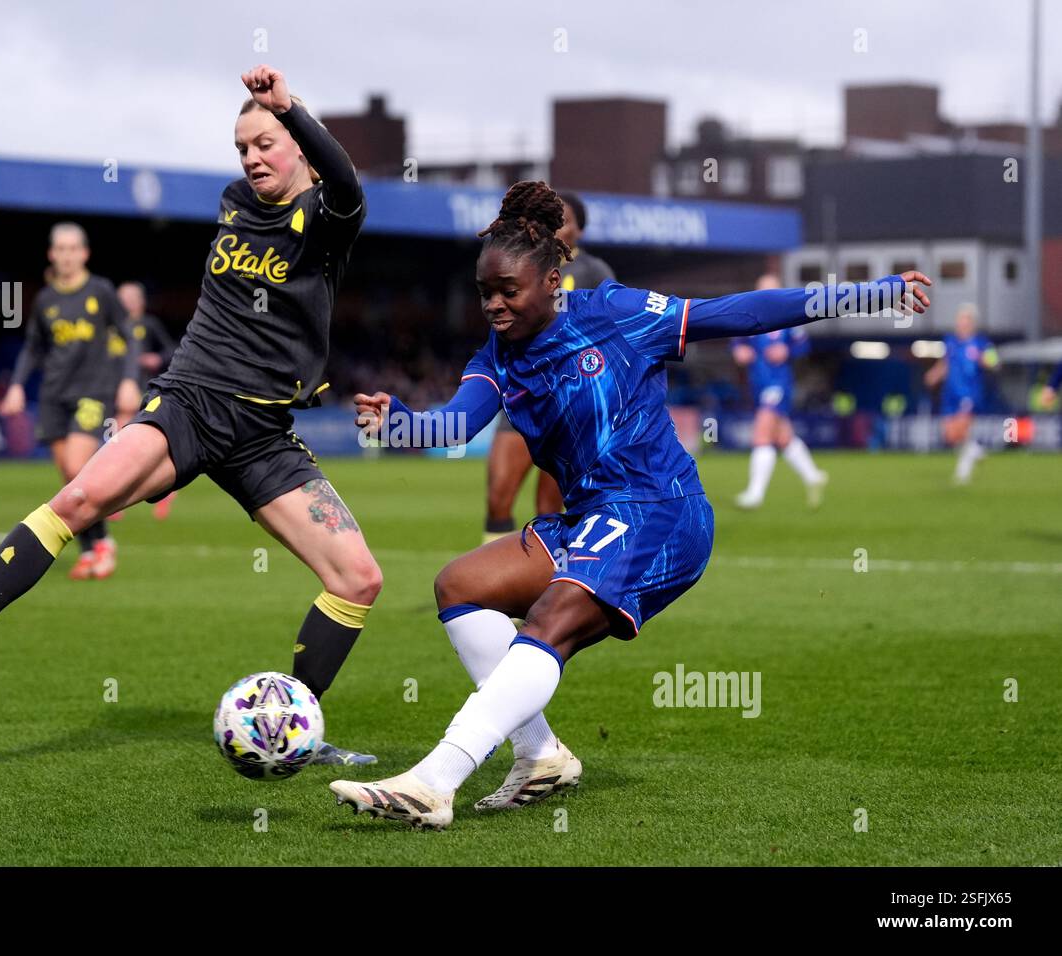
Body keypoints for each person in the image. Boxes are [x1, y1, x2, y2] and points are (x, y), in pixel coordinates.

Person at [336, 181, 931, 828]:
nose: (495, 305)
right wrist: (401, 424)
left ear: (554, 281)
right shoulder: (498, 355)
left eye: (509, 290)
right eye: (485, 293)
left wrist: (867, 293)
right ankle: (539, 755)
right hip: (589, 515)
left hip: (660, 508)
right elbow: (455, 425)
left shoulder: (618, 311)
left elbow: (739, 313)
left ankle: (433, 782)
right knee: (461, 585)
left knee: (551, 620)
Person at [0, 64, 380, 765]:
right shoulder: (236, 201)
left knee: (358, 577)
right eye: (242, 147)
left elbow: (348, 183)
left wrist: (290, 107)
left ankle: (289, 727)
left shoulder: (328, 221)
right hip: (191, 402)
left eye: (266, 142)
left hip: (264, 433)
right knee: (78, 497)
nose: (251, 158)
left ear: (298, 143)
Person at [0, 221, 139, 579]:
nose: (66, 255)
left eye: (72, 248)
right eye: (59, 249)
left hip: (93, 392)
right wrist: (16, 385)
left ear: (84, 253)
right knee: (69, 479)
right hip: (53, 395)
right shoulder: (46, 299)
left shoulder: (101, 291)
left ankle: (104, 543)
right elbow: (33, 347)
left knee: (78, 467)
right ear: (51, 254)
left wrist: (128, 380)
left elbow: (130, 336)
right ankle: (91, 549)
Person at [483, 191, 615, 542]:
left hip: (568, 405)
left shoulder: (594, 271)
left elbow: (610, 330)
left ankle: (547, 587)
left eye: (565, 222)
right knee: (498, 498)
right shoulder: (519, 264)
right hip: (520, 396)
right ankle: (495, 586)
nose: (556, 229)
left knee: (549, 509)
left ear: (580, 232)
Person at [731, 274, 828, 509]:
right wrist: (740, 353)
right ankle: (813, 476)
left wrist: (787, 350)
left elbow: (803, 345)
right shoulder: (747, 317)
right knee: (783, 436)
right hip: (758, 383)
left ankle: (755, 494)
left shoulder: (788, 318)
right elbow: (737, 344)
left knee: (762, 433)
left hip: (778, 383)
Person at [115, 281, 179, 519]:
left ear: (141, 301)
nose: (127, 302)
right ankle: (154, 488)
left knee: (123, 443)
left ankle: (156, 487)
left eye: (131, 297)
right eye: (122, 297)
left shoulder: (149, 324)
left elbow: (172, 349)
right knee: (120, 444)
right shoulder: (114, 326)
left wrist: (156, 358)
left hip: (145, 390)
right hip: (116, 389)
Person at [923, 304, 998, 485]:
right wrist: (934, 374)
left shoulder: (981, 343)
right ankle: (974, 450)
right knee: (950, 435)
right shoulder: (951, 342)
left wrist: (983, 359)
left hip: (969, 393)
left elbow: (994, 362)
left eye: (965, 321)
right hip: (950, 393)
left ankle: (963, 472)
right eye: (959, 321)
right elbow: (945, 364)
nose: (961, 324)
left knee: (960, 429)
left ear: (971, 323)